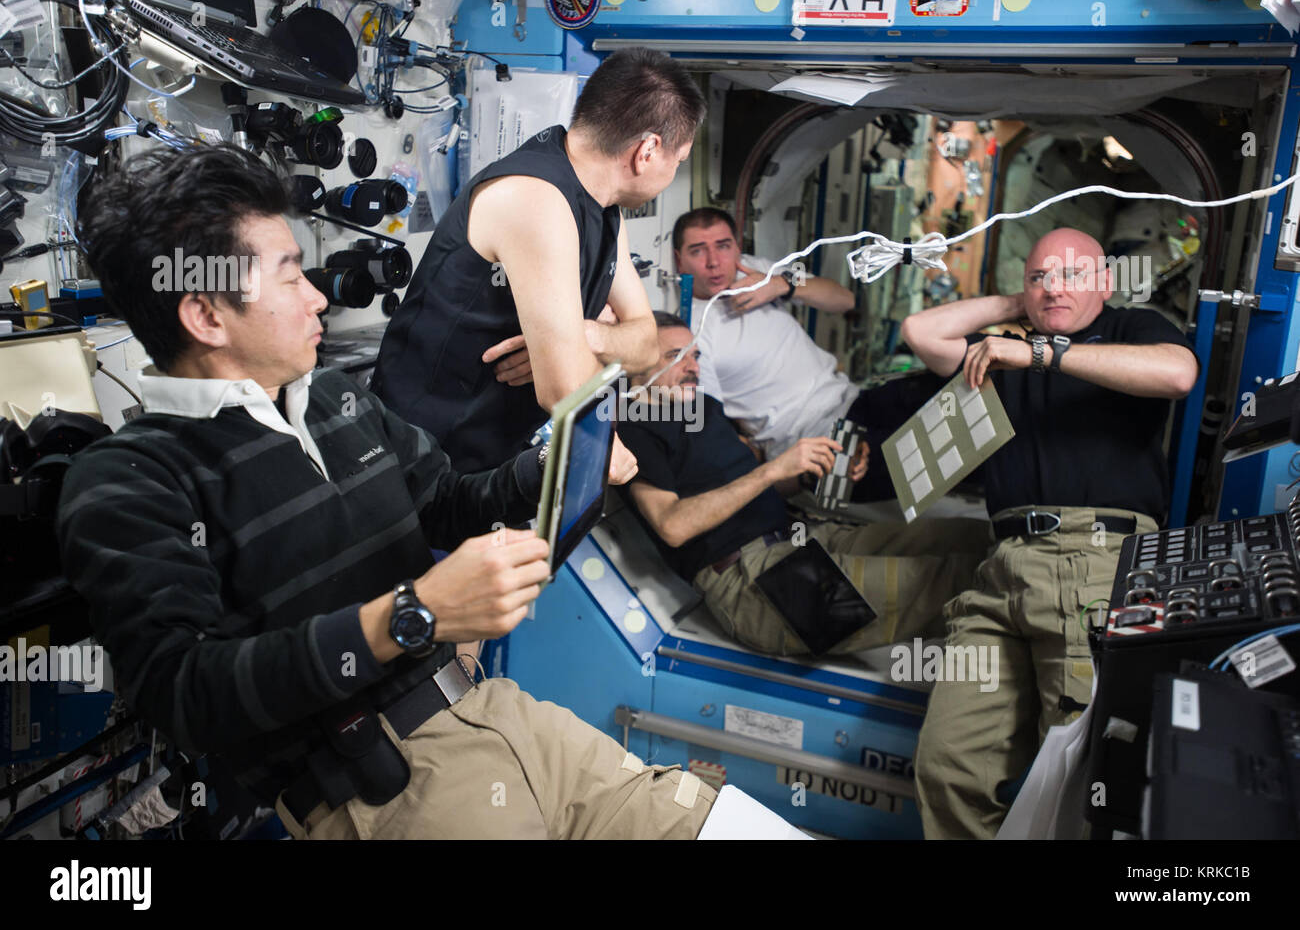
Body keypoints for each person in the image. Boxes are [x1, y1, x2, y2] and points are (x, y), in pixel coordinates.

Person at [59, 144, 728, 840]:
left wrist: (553, 465)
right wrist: (413, 614)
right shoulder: (128, 480)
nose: (319, 296)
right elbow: (188, 693)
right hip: (395, 794)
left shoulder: (334, 398)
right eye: (290, 279)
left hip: (508, 721)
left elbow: (446, 500)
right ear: (206, 315)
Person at [900, 227, 1199, 840]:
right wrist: (1021, 307)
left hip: (1095, 560)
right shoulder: (1006, 346)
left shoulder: (1130, 329)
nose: (1055, 287)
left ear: (1106, 284)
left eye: (1071, 275)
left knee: (1072, 776)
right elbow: (921, 332)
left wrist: (1043, 351)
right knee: (947, 762)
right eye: (1041, 276)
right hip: (1002, 570)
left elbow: (1177, 375)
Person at [370, 47, 706, 481]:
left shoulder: (605, 210)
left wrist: (581, 335)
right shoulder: (536, 198)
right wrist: (613, 448)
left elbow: (645, 346)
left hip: (484, 462)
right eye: (678, 162)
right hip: (417, 463)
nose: (673, 173)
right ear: (647, 151)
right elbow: (563, 389)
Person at [618, 312, 991, 657]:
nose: (692, 367)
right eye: (676, 355)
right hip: (753, 583)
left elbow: (755, 486)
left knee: (977, 539)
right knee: (957, 579)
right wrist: (771, 470)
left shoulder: (706, 410)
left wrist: (816, 471)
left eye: (695, 355)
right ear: (637, 364)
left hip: (800, 537)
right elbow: (672, 526)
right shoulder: (633, 431)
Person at [673, 207, 943, 501]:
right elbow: (711, 426)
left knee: (959, 394)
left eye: (723, 247)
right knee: (944, 453)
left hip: (852, 400)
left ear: (737, 248)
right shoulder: (691, 332)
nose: (714, 262)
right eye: (698, 251)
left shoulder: (754, 268)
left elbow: (843, 298)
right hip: (815, 444)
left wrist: (781, 284)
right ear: (679, 260)